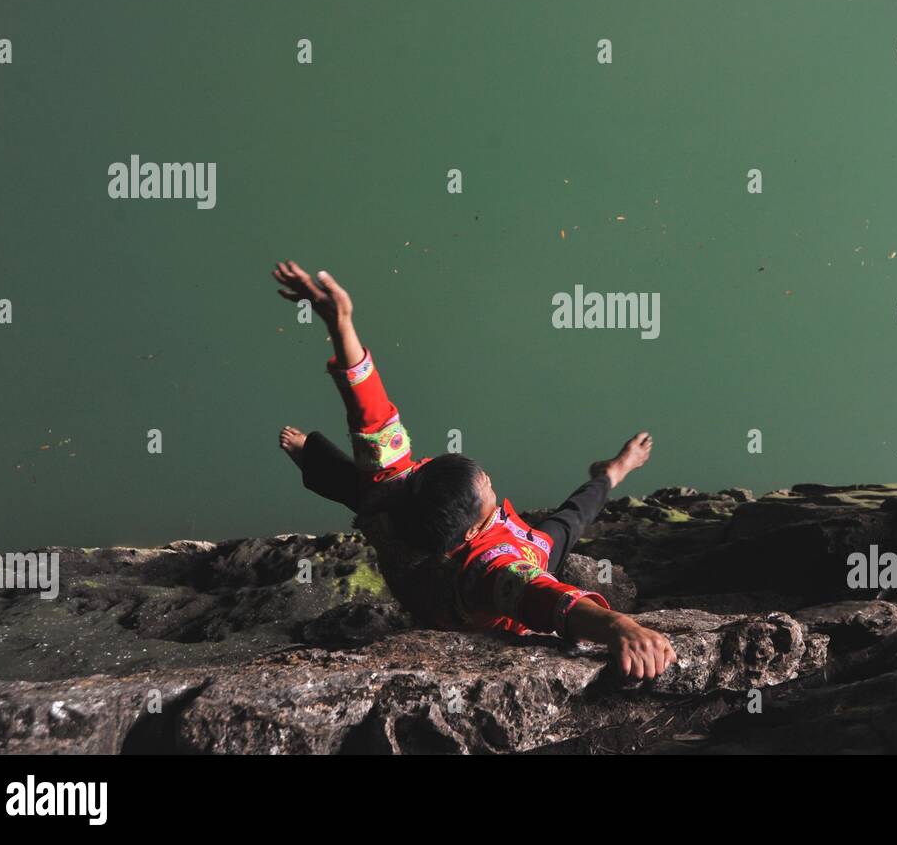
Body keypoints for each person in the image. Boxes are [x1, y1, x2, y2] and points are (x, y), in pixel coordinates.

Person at [271, 260, 677, 681]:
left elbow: (370, 412)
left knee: (365, 490)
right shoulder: (495, 568)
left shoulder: (397, 486)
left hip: (406, 557)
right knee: (569, 520)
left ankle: (314, 461)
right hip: (467, 605)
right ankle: (612, 471)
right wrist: (619, 626)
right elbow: (546, 598)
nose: (497, 497)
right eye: (490, 498)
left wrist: (341, 323)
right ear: (470, 532)